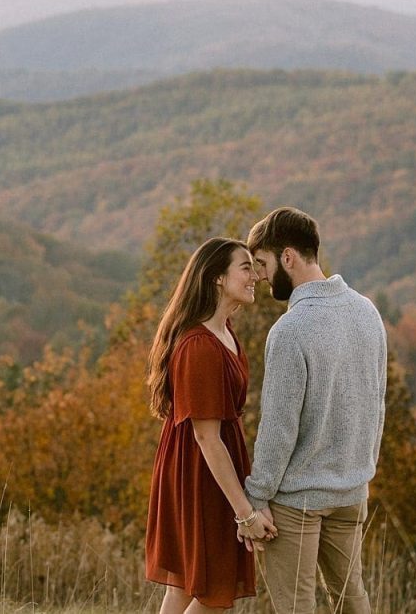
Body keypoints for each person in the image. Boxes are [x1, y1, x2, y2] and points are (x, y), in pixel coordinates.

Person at [242, 207, 387, 614]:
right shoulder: (367, 312)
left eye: (263, 264)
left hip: (298, 499)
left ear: (287, 257)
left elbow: (279, 427)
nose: (261, 276)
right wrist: (363, 469)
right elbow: (377, 401)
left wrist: (257, 497)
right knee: (352, 599)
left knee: (296, 606)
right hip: (352, 489)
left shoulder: (290, 330)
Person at [145, 237, 278, 613]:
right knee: (215, 593)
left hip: (210, 467)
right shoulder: (199, 346)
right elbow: (206, 437)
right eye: (246, 267)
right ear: (218, 277)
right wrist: (245, 512)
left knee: (186, 588)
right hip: (200, 473)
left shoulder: (225, 332)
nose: (256, 276)